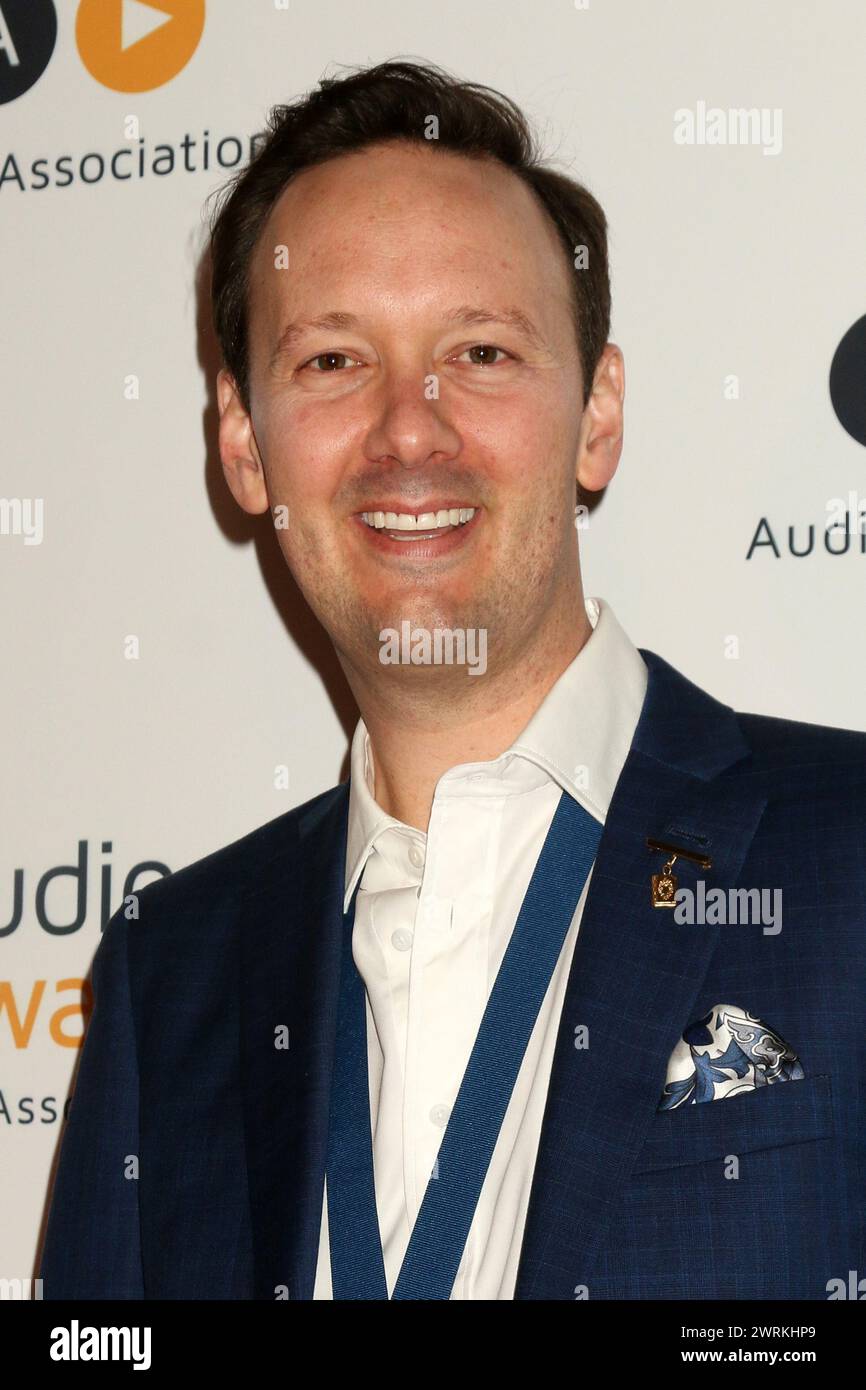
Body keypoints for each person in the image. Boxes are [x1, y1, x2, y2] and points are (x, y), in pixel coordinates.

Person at [40, 58, 865, 1301]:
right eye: (330, 362)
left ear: (594, 414)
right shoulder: (173, 979)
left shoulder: (846, 857)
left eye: (478, 350)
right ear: (241, 441)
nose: (409, 430)